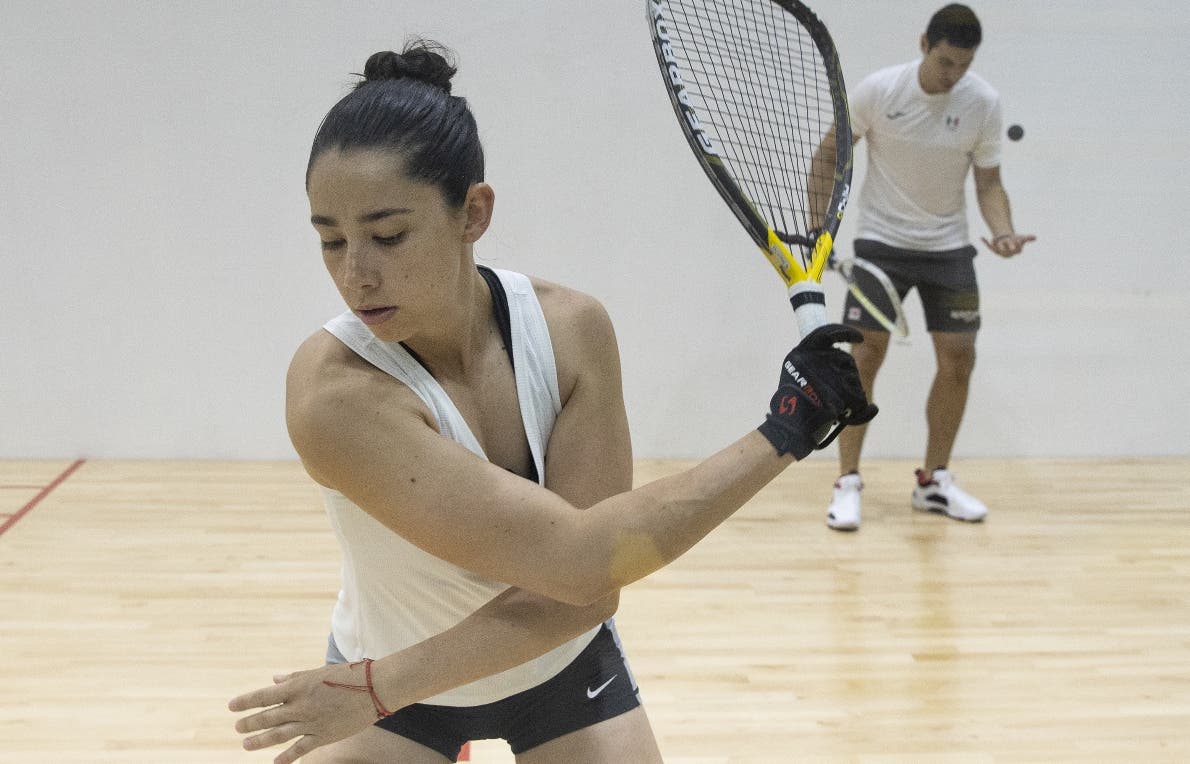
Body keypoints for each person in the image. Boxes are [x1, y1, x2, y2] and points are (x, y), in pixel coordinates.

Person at [228, 41, 874, 764]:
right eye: (330, 240)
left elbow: (591, 592)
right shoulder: (332, 394)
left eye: (388, 235)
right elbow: (580, 563)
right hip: (388, 691)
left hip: (555, 670)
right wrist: (784, 429)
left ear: (473, 213)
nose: (356, 273)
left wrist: (377, 686)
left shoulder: (571, 332)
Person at [824, 4, 1035, 532]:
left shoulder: (982, 103)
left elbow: (988, 183)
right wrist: (818, 230)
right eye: (945, 62)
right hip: (882, 243)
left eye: (963, 65)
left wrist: (1003, 231)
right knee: (864, 357)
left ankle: (934, 481)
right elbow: (829, 155)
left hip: (947, 247)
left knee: (959, 359)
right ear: (923, 44)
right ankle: (848, 481)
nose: (953, 75)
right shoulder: (880, 91)